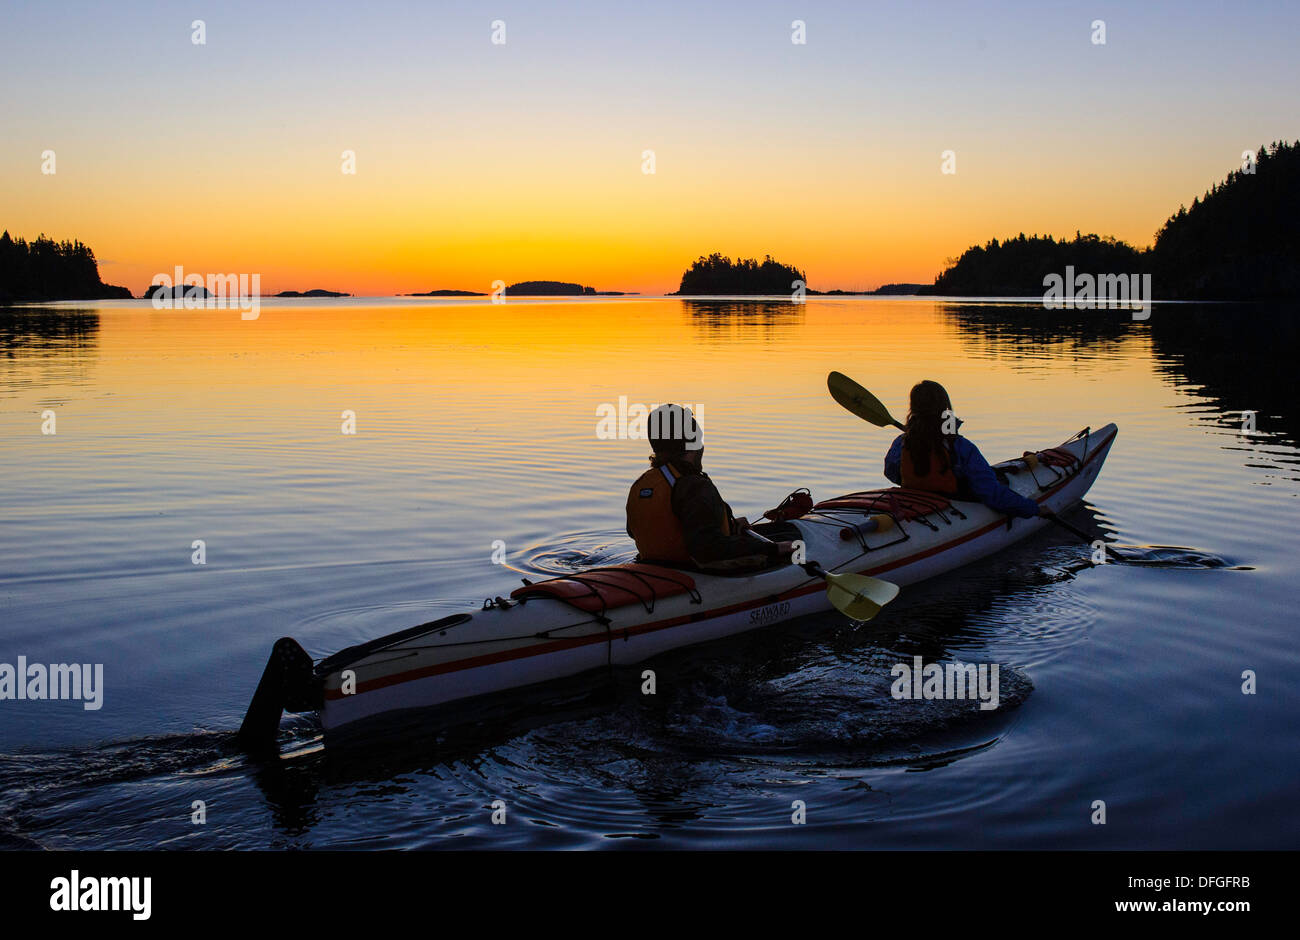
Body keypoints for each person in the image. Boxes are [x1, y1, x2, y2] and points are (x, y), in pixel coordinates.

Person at [626, 404, 796, 572]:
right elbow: (709, 549)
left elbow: (649, 529)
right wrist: (773, 549)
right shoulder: (695, 486)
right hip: (699, 573)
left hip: (655, 570)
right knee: (794, 543)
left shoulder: (641, 485)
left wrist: (726, 525)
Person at [883, 380, 1052, 520]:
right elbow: (990, 493)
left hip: (917, 501)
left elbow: (891, 473)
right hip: (954, 503)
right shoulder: (960, 447)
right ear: (945, 409)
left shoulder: (902, 443)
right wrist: (1034, 509)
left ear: (913, 409)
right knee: (994, 482)